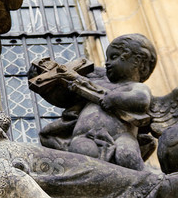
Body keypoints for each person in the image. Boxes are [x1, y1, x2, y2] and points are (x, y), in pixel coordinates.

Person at [39, 34, 157, 170]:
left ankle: (139, 180)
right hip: (86, 135)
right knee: (81, 153)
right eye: (107, 58)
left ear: (137, 62)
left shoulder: (135, 87)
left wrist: (113, 99)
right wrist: (46, 87)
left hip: (122, 136)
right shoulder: (95, 83)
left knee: (128, 155)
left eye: (113, 57)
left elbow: (141, 100)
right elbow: (64, 98)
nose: (107, 63)